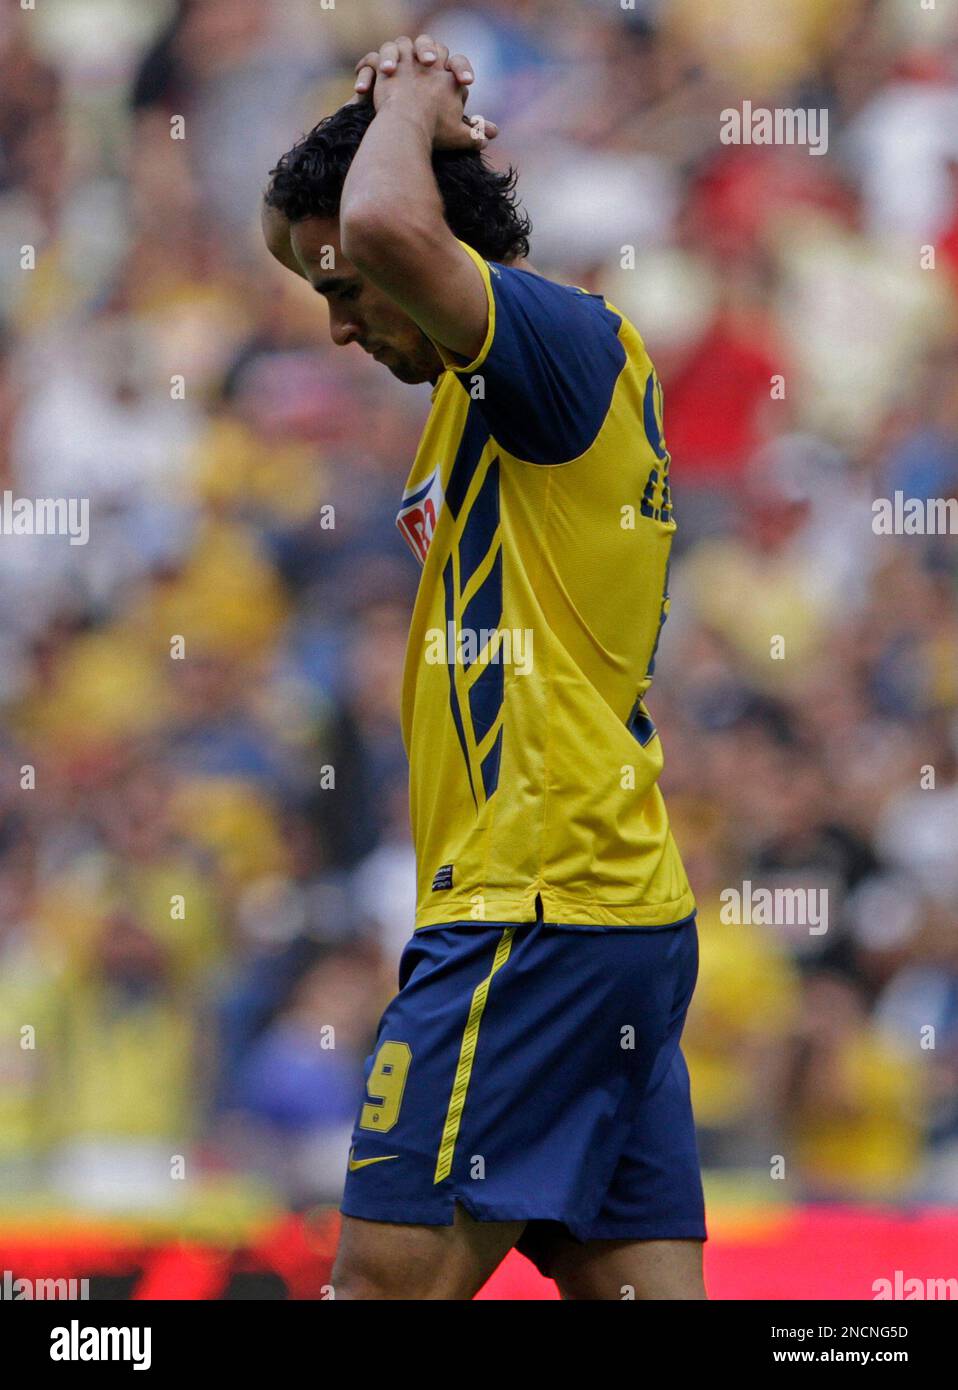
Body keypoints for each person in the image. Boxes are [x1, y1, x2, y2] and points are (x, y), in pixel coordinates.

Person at [262, 34, 704, 1300]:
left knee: (380, 1291)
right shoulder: (505, 376)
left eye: (344, 291)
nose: (340, 328)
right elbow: (340, 224)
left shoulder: (558, 349)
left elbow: (391, 227)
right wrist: (371, 122)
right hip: (606, 914)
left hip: (529, 908)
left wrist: (410, 97)